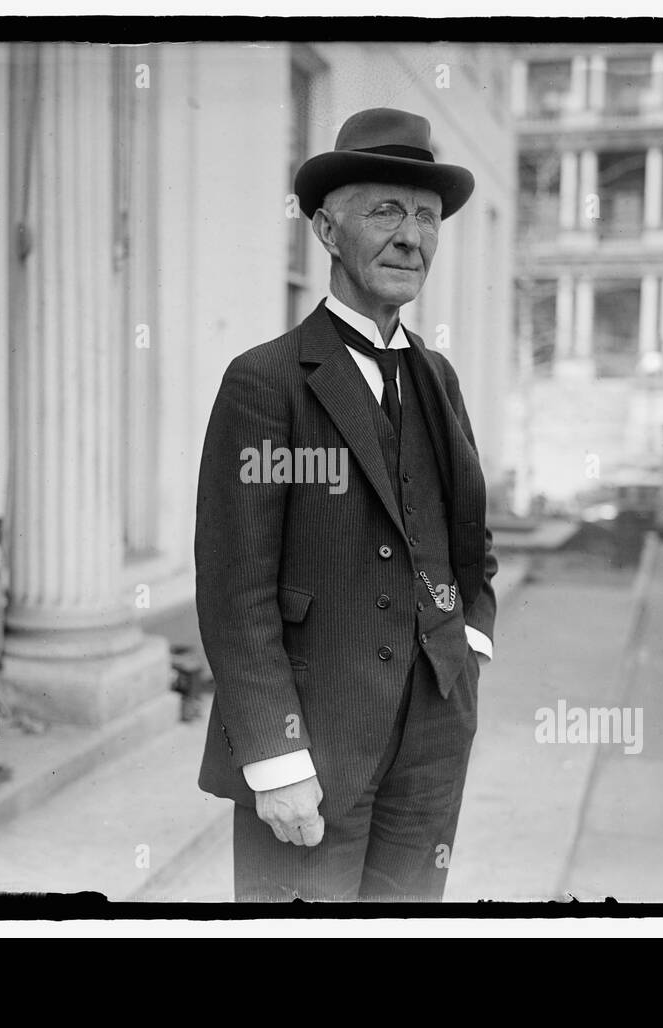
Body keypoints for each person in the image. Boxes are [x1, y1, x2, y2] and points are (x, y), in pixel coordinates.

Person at [194, 107, 498, 901]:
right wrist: (276, 756)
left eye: (427, 216)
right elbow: (237, 591)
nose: (411, 237)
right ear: (328, 233)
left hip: (432, 737)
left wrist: (468, 643)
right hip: (315, 746)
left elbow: (471, 540)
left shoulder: (438, 378)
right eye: (385, 211)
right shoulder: (265, 382)